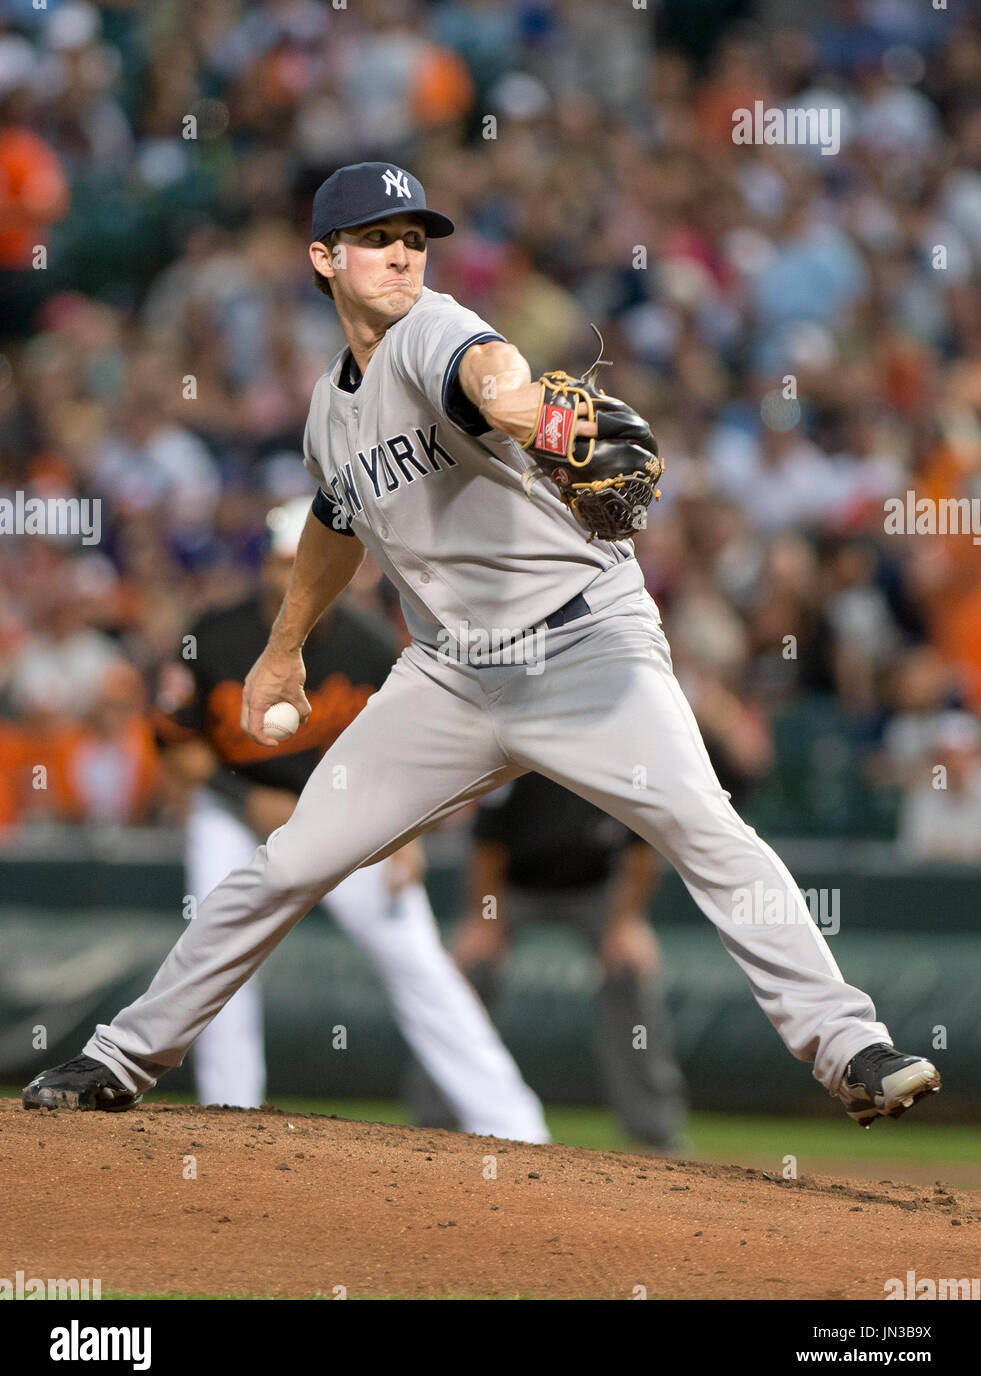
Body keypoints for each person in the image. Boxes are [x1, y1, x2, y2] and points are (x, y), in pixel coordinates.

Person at [25, 162, 941, 1130]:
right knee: (287, 862)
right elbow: (337, 524)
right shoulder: (327, 415)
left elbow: (492, 377)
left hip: (583, 642)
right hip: (451, 678)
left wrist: (534, 413)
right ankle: (120, 1059)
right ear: (324, 258)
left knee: (704, 828)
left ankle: (851, 1048)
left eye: (415, 239)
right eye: (379, 239)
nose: (403, 256)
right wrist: (285, 644)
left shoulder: (434, 332)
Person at [152, 495, 547, 1140]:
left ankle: (514, 1127)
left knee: (416, 958)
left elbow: (409, 749)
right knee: (221, 946)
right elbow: (176, 745)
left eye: (303, 560)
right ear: (266, 570)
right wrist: (245, 799)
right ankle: (228, 1116)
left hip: (342, 812)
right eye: (283, 563)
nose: (293, 575)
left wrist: (405, 832)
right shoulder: (214, 636)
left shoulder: (368, 644)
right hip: (231, 810)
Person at [406, 774, 688, 1154]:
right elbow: (487, 847)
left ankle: (654, 1131)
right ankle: (436, 1121)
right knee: (470, 969)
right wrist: (484, 922)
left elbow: (642, 849)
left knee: (629, 969)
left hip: (596, 890)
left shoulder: (619, 765)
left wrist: (627, 922)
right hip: (513, 888)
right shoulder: (521, 762)